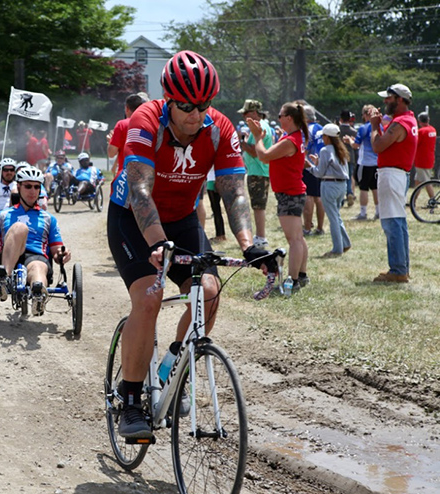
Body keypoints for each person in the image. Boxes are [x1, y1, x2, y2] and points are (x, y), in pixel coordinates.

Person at [107, 50, 271, 438]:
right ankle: (130, 399)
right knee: (149, 295)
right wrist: (158, 243)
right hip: (132, 216)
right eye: (185, 105)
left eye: (203, 104)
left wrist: (250, 244)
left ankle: (169, 370)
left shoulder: (219, 129)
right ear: (168, 99)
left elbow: (235, 194)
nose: (195, 114)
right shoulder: (144, 120)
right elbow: (141, 190)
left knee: (209, 292)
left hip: (181, 218)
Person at [0, 166, 71, 316]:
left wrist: (63, 254)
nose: (32, 191)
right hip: (8, 257)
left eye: (37, 187)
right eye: (28, 186)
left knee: (38, 267)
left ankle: (38, 295)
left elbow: (56, 252)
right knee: (20, 228)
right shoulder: (3, 215)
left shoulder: (49, 219)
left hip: (36, 257)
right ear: (19, 187)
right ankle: (2, 279)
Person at [248, 101, 310, 291]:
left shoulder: (290, 141)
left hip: (290, 193)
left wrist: (258, 137)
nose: (278, 119)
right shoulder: (292, 137)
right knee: (298, 238)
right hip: (292, 192)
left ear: (289, 118)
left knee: (294, 240)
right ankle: (301, 276)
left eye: (280, 116)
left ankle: (292, 281)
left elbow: (264, 156)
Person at [370, 84, 418, 283]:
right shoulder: (408, 120)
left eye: (388, 98)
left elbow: (378, 146)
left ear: (399, 99)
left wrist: (374, 126)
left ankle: (398, 270)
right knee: (398, 221)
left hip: (392, 174)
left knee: (392, 222)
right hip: (398, 174)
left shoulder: (400, 123)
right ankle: (402, 268)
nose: (385, 102)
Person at [307, 124, 352, 257]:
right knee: (336, 216)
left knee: (333, 218)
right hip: (341, 185)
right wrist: (318, 162)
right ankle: (345, 242)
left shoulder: (325, 150)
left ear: (327, 137)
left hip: (329, 186)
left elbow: (319, 173)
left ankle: (337, 249)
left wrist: (309, 166)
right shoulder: (341, 150)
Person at [238, 99, 274, 248]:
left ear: (254, 113)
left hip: (258, 170)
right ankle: (260, 235)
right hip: (260, 170)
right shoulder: (263, 126)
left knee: (258, 206)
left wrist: (242, 143)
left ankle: (260, 236)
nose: (244, 117)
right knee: (258, 205)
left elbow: (254, 151)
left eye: (246, 113)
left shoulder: (258, 127)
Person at [349, 104, 380, 221]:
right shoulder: (380, 127)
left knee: (363, 188)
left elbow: (356, 146)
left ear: (367, 114)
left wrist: (350, 141)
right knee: (375, 187)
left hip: (365, 163)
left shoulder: (363, 128)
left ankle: (363, 213)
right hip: (377, 162)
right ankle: (378, 212)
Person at [107, 92, 150, 177]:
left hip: (125, 175)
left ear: (127, 108)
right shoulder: (151, 124)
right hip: (146, 174)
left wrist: (110, 141)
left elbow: (111, 153)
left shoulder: (122, 125)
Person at [302, 105, 325, 236]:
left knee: (309, 196)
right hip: (322, 165)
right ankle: (320, 228)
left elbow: (304, 149)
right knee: (319, 197)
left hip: (309, 165)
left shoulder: (306, 130)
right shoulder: (322, 129)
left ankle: (307, 228)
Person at [414, 112, 436, 198]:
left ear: (419, 121)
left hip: (421, 160)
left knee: (426, 181)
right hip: (429, 158)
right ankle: (413, 201)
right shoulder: (433, 130)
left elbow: (415, 144)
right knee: (417, 181)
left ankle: (433, 200)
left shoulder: (421, 132)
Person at [338, 110, 358, 207]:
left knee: (340, 177)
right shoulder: (353, 131)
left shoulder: (337, 130)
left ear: (340, 119)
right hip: (350, 156)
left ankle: (341, 199)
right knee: (349, 177)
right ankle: (350, 192)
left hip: (339, 156)